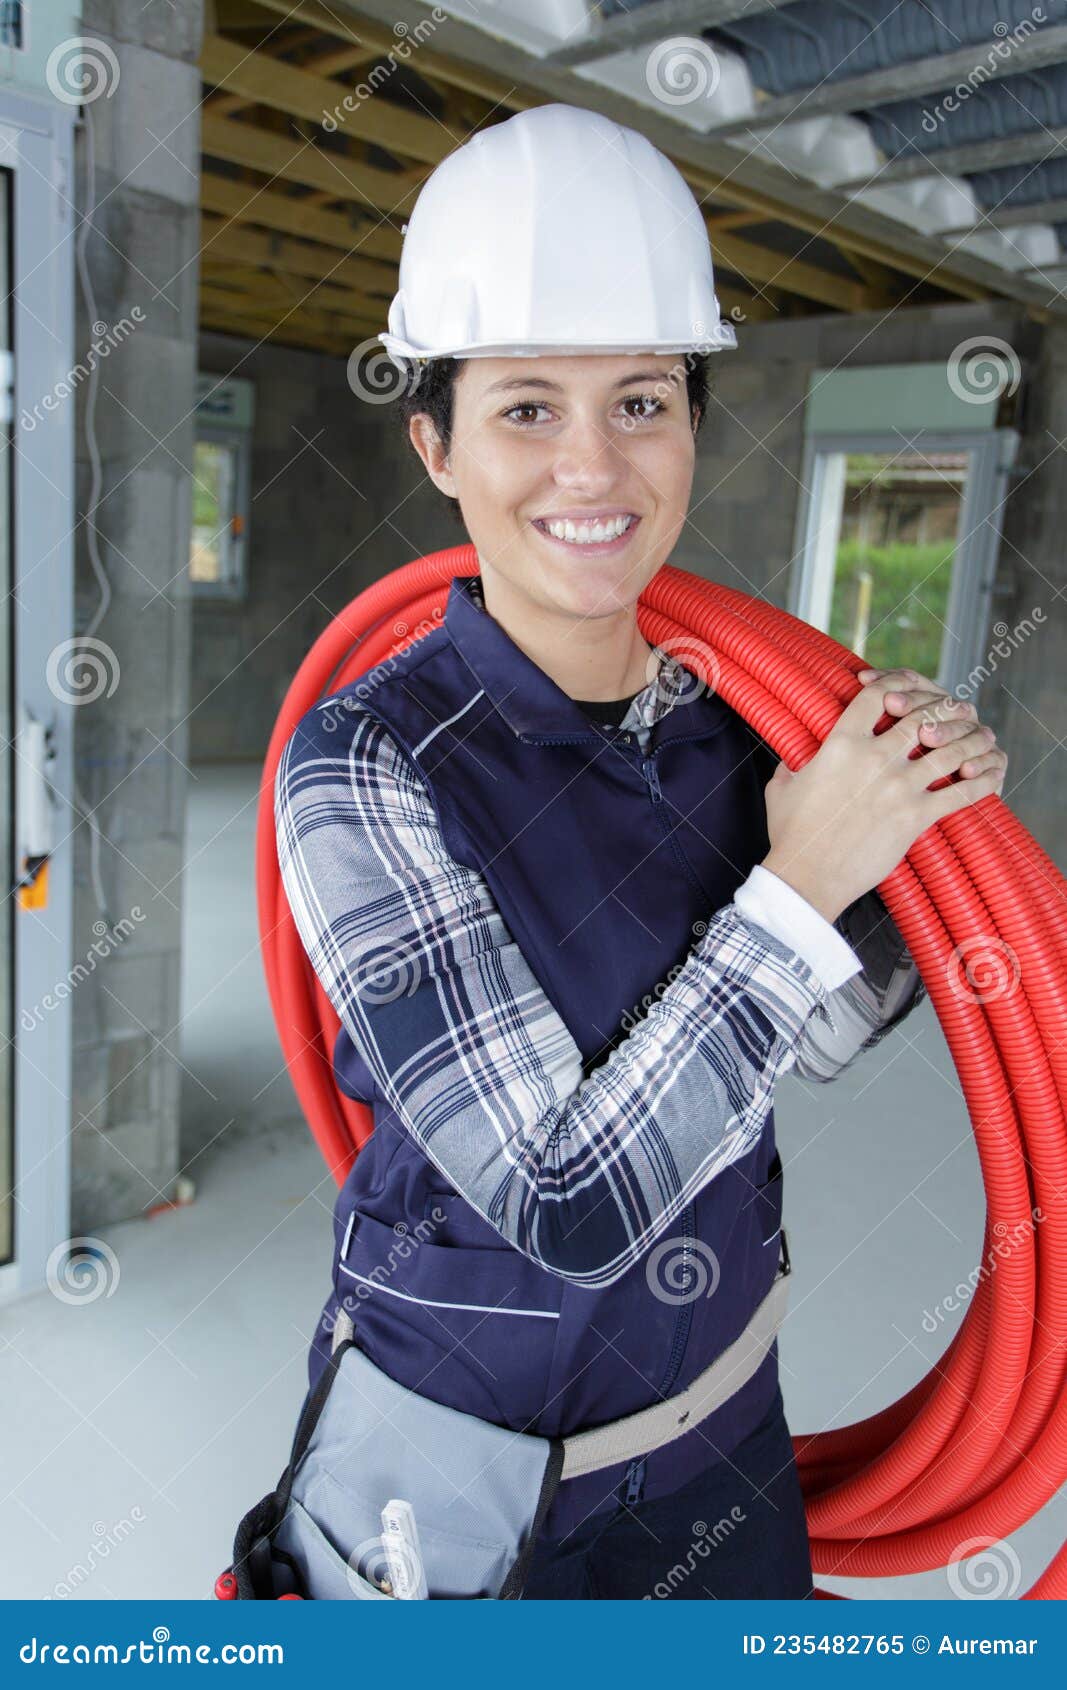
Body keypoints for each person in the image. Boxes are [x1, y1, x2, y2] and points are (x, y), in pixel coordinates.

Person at [273, 104, 1007, 1600]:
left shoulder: (736, 724)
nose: (592, 466)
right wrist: (801, 884)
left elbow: (818, 1027)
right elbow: (568, 1204)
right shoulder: (366, 763)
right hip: (458, 1485)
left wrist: (898, 830)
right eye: (527, 408)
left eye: (644, 401)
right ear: (438, 446)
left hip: (724, 1432)